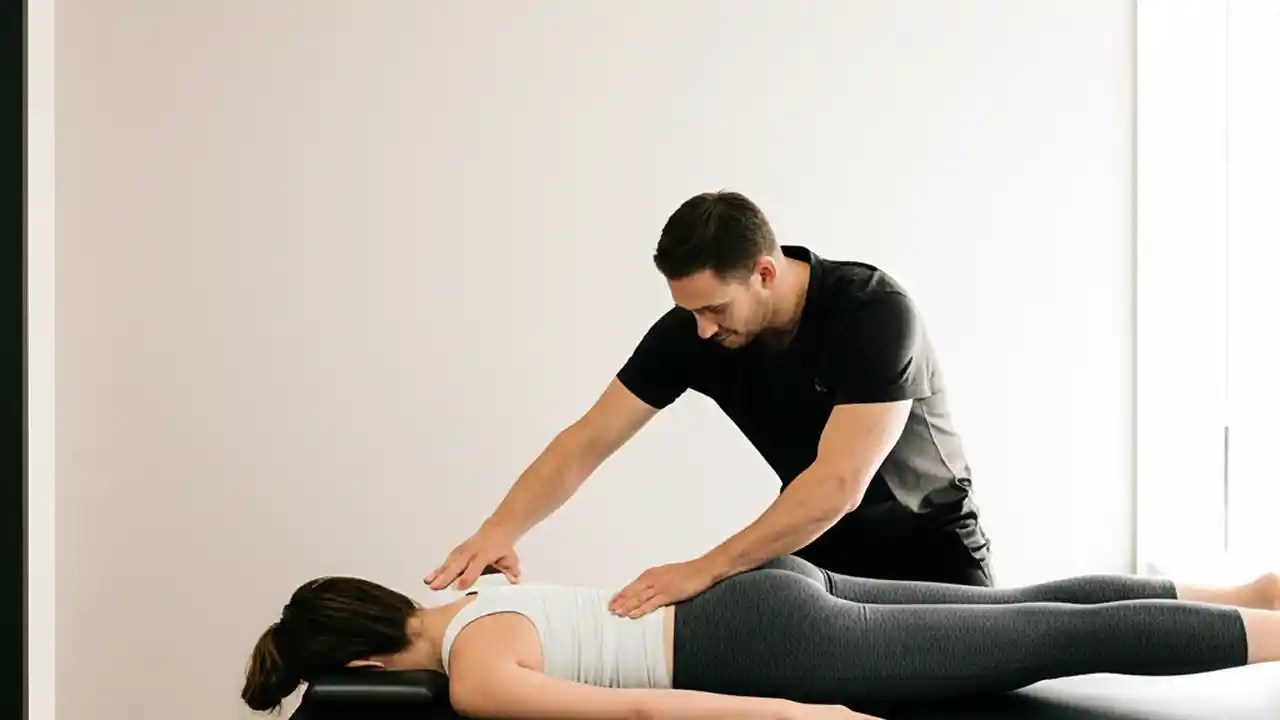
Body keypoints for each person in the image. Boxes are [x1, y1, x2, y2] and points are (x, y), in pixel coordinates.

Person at [427, 190, 994, 619]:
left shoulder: (873, 312)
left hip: (933, 555)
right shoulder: (694, 333)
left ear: (763, 273)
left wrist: (704, 570)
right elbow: (587, 439)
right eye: (690, 311)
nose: (701, 329)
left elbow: (838, 483)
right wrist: (499, 530)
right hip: (824, 561)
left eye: (715, 309)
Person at [244, 557, 1280, 719]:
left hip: (768, 645)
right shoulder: (476, 597)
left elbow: (644, 708)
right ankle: (1238, 591)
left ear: (368, 665)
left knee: (1046, 640)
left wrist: (792, 712)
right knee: (1025, 608)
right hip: (759, 587)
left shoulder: (475, 670)